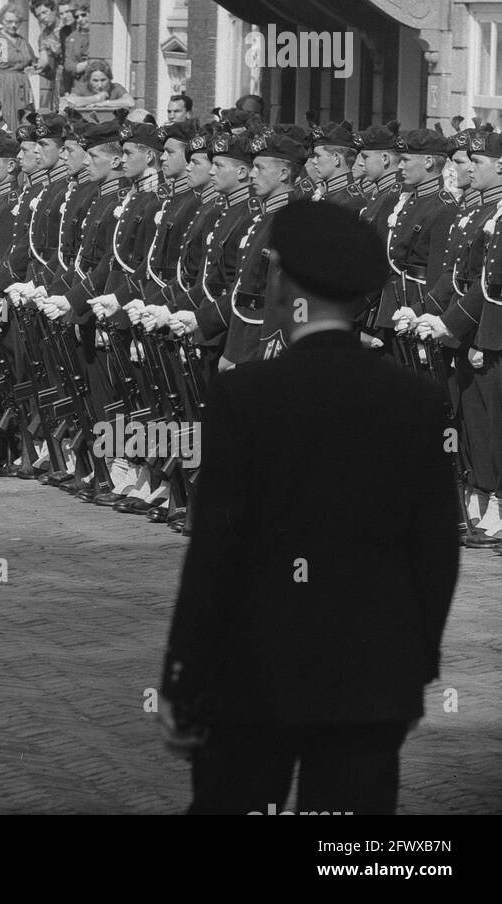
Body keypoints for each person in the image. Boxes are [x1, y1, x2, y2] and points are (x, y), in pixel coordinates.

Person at [159, 200, 459, 814]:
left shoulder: (245, 395)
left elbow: (215, 548)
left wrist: (184, 672)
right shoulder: (417, 401)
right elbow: (436, 552)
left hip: (253, 670)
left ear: (282, 286)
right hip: (371, 676)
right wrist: (411, 668)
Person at [0, 4, 36, 129]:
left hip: (23, 86)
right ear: (1, 20)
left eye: (16, 22)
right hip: (4, 87)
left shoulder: (22, 41)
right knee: (8, 121)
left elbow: (32, 61)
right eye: (9, 21)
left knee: (26, 121)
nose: (13, 25)